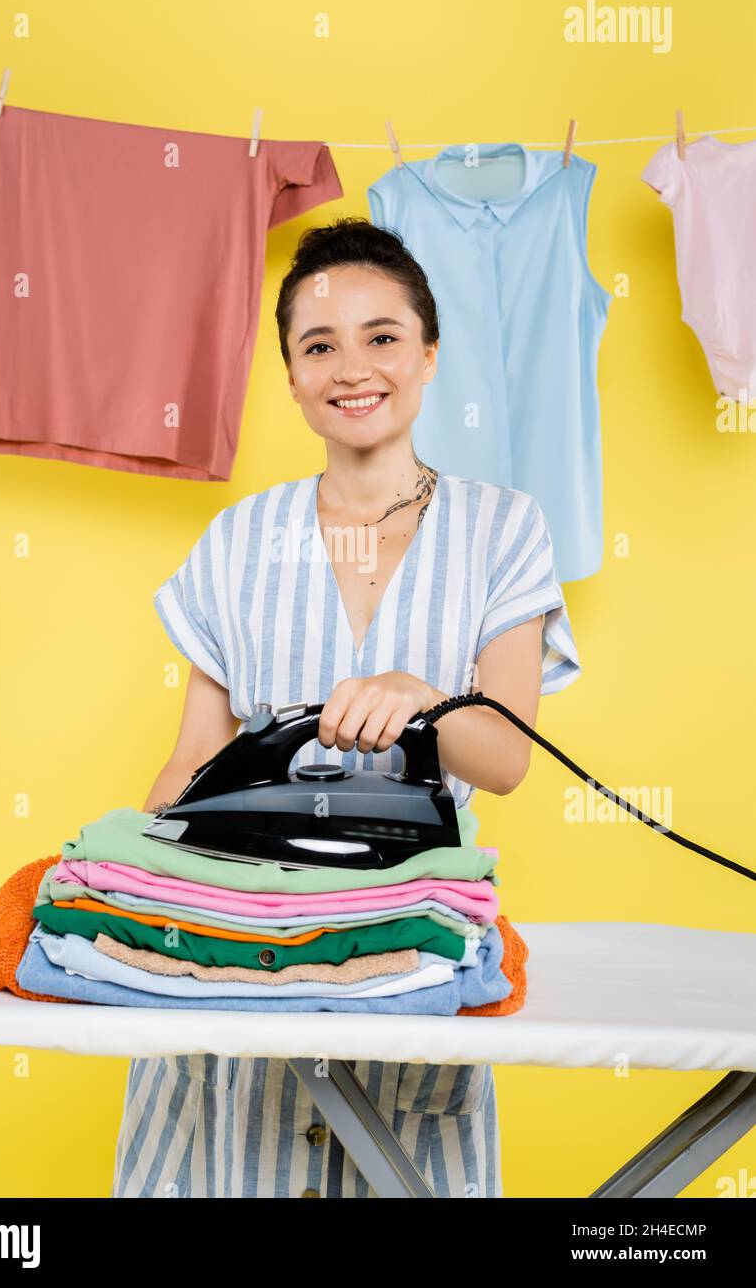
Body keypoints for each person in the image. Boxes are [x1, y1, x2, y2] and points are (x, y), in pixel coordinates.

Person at [111, 218, 581, 1198]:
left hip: (410, 942)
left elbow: (503, 758)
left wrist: (422, 697)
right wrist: (128, 899)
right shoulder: (240, 537)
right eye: (318, 345)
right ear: (290, 374)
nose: (351, 367)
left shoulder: (504, 528)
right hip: (235, 948)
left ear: (427, 352)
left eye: (381, 336)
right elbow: (191, 762)